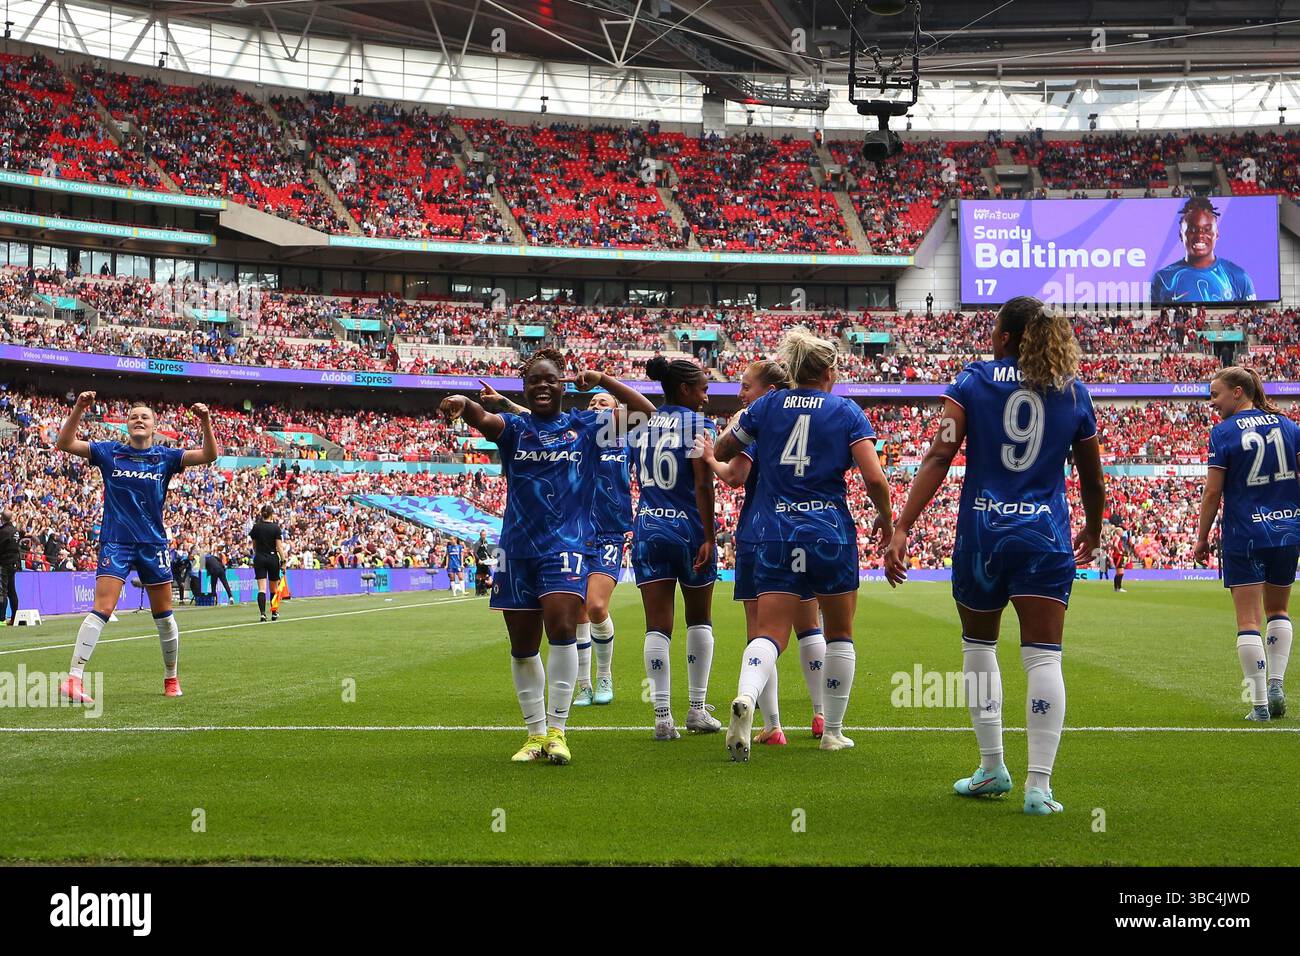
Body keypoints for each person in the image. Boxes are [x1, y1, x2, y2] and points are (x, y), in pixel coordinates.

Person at [884, 296, 1105, 816]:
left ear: (1005, 337)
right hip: (1044, 536)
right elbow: (1092, 478)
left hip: (982, 532)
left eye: (993, 330)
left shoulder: (971, 382)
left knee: (979, 646)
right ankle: (1038, 787)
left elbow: (941, 453)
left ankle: (991, 767)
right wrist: (1092, 529)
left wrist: (902, 527)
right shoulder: (1071, 390)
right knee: (1044, 656)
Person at [438, 347, 654, 764]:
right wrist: (463, 403)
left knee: (561, 627)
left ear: (562, 386)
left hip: (566, 545)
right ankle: (534, 735)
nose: (541, 385)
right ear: (524, 386)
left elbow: (646, 412)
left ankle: (558, 730)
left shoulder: (587, 426)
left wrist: (603, 379)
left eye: (549, 380)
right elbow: (482, 418)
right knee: (522, 645)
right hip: (516, 550)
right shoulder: (513, 428)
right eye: (534, 380)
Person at [712, 329, 893, 761]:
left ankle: (746, 696)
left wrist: (747, 429)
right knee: (839, 634)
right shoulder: (847, 412)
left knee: (770, 632)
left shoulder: (766, 405)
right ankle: (832, 730)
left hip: (773, 531)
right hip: (828, 531)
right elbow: (873, 478)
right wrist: (888, 522)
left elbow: (723, 448)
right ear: (830, 371)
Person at [697, 358, 828, 744]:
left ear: (768, 392)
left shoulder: (760, 419)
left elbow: (735, 475)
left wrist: (709, 457)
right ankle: (822, 717)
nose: (741, 394)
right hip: (809, 527)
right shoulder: (816, 413)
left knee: (761, 632)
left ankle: (772, 726)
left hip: (765, 531)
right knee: (810, 625)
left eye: (746, 387)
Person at [55, 392, 218, 702]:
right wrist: (79, 408)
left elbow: (209, 455)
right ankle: (73, 679)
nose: (139, 420)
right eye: (133, 417)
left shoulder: (166, 457)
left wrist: (206, 420)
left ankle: (171, 677)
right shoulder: (108, 452)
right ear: (126, 425)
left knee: (164, 614)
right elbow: (65, 443)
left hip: (153, 542)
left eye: (145, 417)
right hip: (116, 540)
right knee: (102, 608)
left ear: (154, 426)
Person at [481, 382, 630, 707]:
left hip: (607, 531)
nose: (595, 407)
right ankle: (584, 685)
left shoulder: (625, 440)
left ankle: (604, 675)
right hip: (571, 532)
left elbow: (646, 420)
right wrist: (505, 402)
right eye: (592, 404)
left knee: (595, 606)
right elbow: (536, 422)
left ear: (617, 410)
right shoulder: (573, 437)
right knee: (576, 612)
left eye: (604, 403)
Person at [1194, 366, 1298, 721]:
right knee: (1279, 610)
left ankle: (1259, 705)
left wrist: (1201, 537)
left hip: (1245, 533)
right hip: (1287, 530)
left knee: (1248, 620)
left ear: (1238, 392)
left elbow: (1212, 492)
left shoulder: (1222, 433)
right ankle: (1276, 682)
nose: (1212, 402)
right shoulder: (1288, 426)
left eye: (1216, 394)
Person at [633, 356, 721, 741]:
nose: (707, 394)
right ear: (684, 389)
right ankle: (697, 709)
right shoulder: (700, 426)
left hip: (649, 526)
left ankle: (662, 718)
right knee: (699, 619)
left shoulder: (642, 425)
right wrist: (709, 534)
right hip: (688, 528)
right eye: (702, 387)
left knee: (657, 626)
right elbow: (704, 483)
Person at [1150, 197, 1256, 305]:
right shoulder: (1163, 279)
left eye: (1207, 229)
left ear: (1216, 234)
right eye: (1192, 230)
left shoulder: (1239, 276)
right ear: (1181, 235)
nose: (1200, 235)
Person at [250, 503, 288, 622]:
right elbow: (279, 547)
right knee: (273, 588)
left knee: (261, 588)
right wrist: (284, 561)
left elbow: (254, 545)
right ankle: (274, 612)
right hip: (272, 558)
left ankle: (262, 613)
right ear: (271, 514)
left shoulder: (256, 527)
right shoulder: (275, 528)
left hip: (260, 557)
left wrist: (259, 553)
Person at [0, 510, 20, 625]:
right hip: (14, 564)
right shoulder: (15, 531)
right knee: (12, 590)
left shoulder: (3, 532)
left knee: (2, 591)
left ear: (2, 518)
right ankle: (14, 618)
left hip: (4, 564)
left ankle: (1, 618)